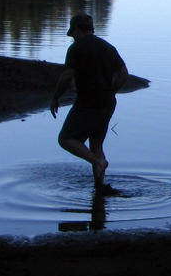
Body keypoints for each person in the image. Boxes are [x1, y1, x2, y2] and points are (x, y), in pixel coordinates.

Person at [50, 13, 128, 192]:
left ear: (77, 29)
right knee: (96, 144)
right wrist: (111, 91)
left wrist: (56, 97)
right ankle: (99, 187)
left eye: (73, 32)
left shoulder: (76, 48)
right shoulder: (108, 47)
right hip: (108, 102)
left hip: (87, 101)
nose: (73, 36)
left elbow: (67, 75)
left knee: (66, 139)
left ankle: (97, 161)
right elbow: (124, 73)